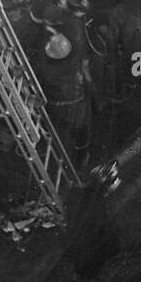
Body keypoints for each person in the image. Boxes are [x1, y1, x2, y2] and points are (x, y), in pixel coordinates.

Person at [37, 13, 98, 167]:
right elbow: (88, 82)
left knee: (50, 129)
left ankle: (44, 150)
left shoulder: (46, 68)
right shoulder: (76, 67)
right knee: (81, 132)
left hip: (54, 106)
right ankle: (81, 158)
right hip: (77, 106)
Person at [64, 161, 122, 282]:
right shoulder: (102, 207)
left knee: (80, 259)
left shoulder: (74, 193)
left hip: (74, 241)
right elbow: (107, 231)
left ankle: (79, 275)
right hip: (90, 248)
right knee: (90, 265)